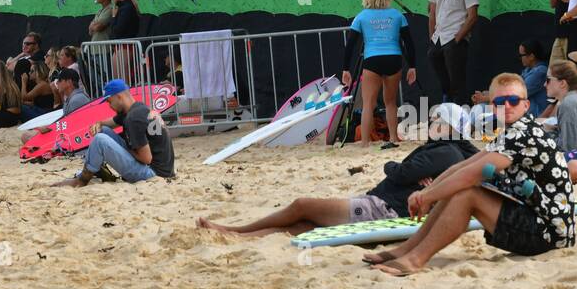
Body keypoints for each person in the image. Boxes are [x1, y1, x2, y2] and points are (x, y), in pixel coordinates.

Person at [363, 73, 576, 276]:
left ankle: (415, 259)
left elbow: (471, 175)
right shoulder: (514, 131)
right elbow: (464, 166)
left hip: (549, 233)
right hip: (540, 220)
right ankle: (406, 250)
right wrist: (428, 192)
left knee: (467, 193)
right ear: (492, 107)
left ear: (526, 104)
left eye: (513, 100)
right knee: (460, 187)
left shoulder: (522, 135)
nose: (507, 106)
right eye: (500, 102)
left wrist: (426, 196)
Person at [197, 105, 479, 236]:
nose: (430, 122)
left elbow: (401, 172)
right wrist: (409, 172)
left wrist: (393, 165)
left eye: (435, 119)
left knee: (302, 205)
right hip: (384, 205)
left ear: (450, 126)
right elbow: (409, 174)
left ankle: (235, 229)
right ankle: (239, 235)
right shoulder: (449, 152)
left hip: (384, 209)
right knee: (304, 227)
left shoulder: (446, 151)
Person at [54, 79, 175, 186]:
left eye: (109, 101)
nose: (110, 106)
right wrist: (99, 123)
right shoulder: (139, 108)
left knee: (100, 140)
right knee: (103, 131)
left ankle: (82, 180)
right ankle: (97, 168)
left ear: (119, 97)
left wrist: (117, 150)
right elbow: (112, 122)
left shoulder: (133, 118)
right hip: (165, 169)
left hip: (154, 174)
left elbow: (146, 158)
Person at [346, 0, 416, 148]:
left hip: (373, 60)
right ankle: (393, 138)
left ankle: (364, 143)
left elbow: (350, 45)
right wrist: (413, 66)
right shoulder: (397, 15)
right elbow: (409, 43)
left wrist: (345, 69)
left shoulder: (362, 16)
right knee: (390, 102)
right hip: (393, 58)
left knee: (368, 104)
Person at [426, 0, 478, 106]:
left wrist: (458, 38)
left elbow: (472, 15)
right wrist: (432, 36)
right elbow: (432, 11)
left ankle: (458, 112)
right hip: (439, 35)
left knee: (457, 80)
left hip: (456, 36)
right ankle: (447, 102)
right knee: (433, 56)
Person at [473, 39, 550, 116]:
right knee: (485, 103)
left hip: (534, 113)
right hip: (521, 108)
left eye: (521, 55)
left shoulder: (540, 72)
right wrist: (486, 95)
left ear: (531, 56)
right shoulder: (528, 69)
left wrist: (484, 98)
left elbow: (515, 94)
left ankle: (489, 127)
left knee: (485, 107)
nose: (520, 59)